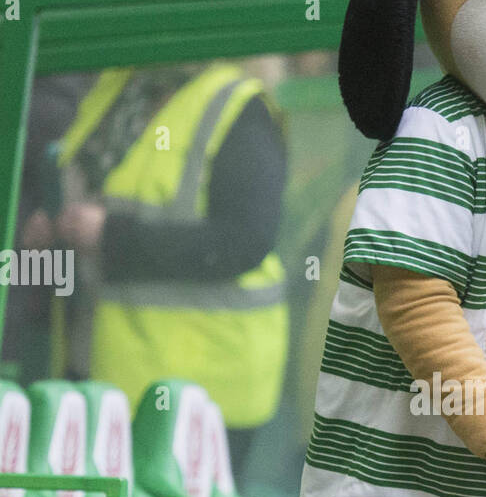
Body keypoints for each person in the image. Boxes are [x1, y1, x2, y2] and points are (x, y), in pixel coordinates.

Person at [22, 63, 289, 475]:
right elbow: (91, 183)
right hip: (97, 370)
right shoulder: (115, 84)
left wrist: (111, 236)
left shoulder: (237, 105)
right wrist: (56, 221)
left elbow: (244, 241)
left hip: (195, 390)